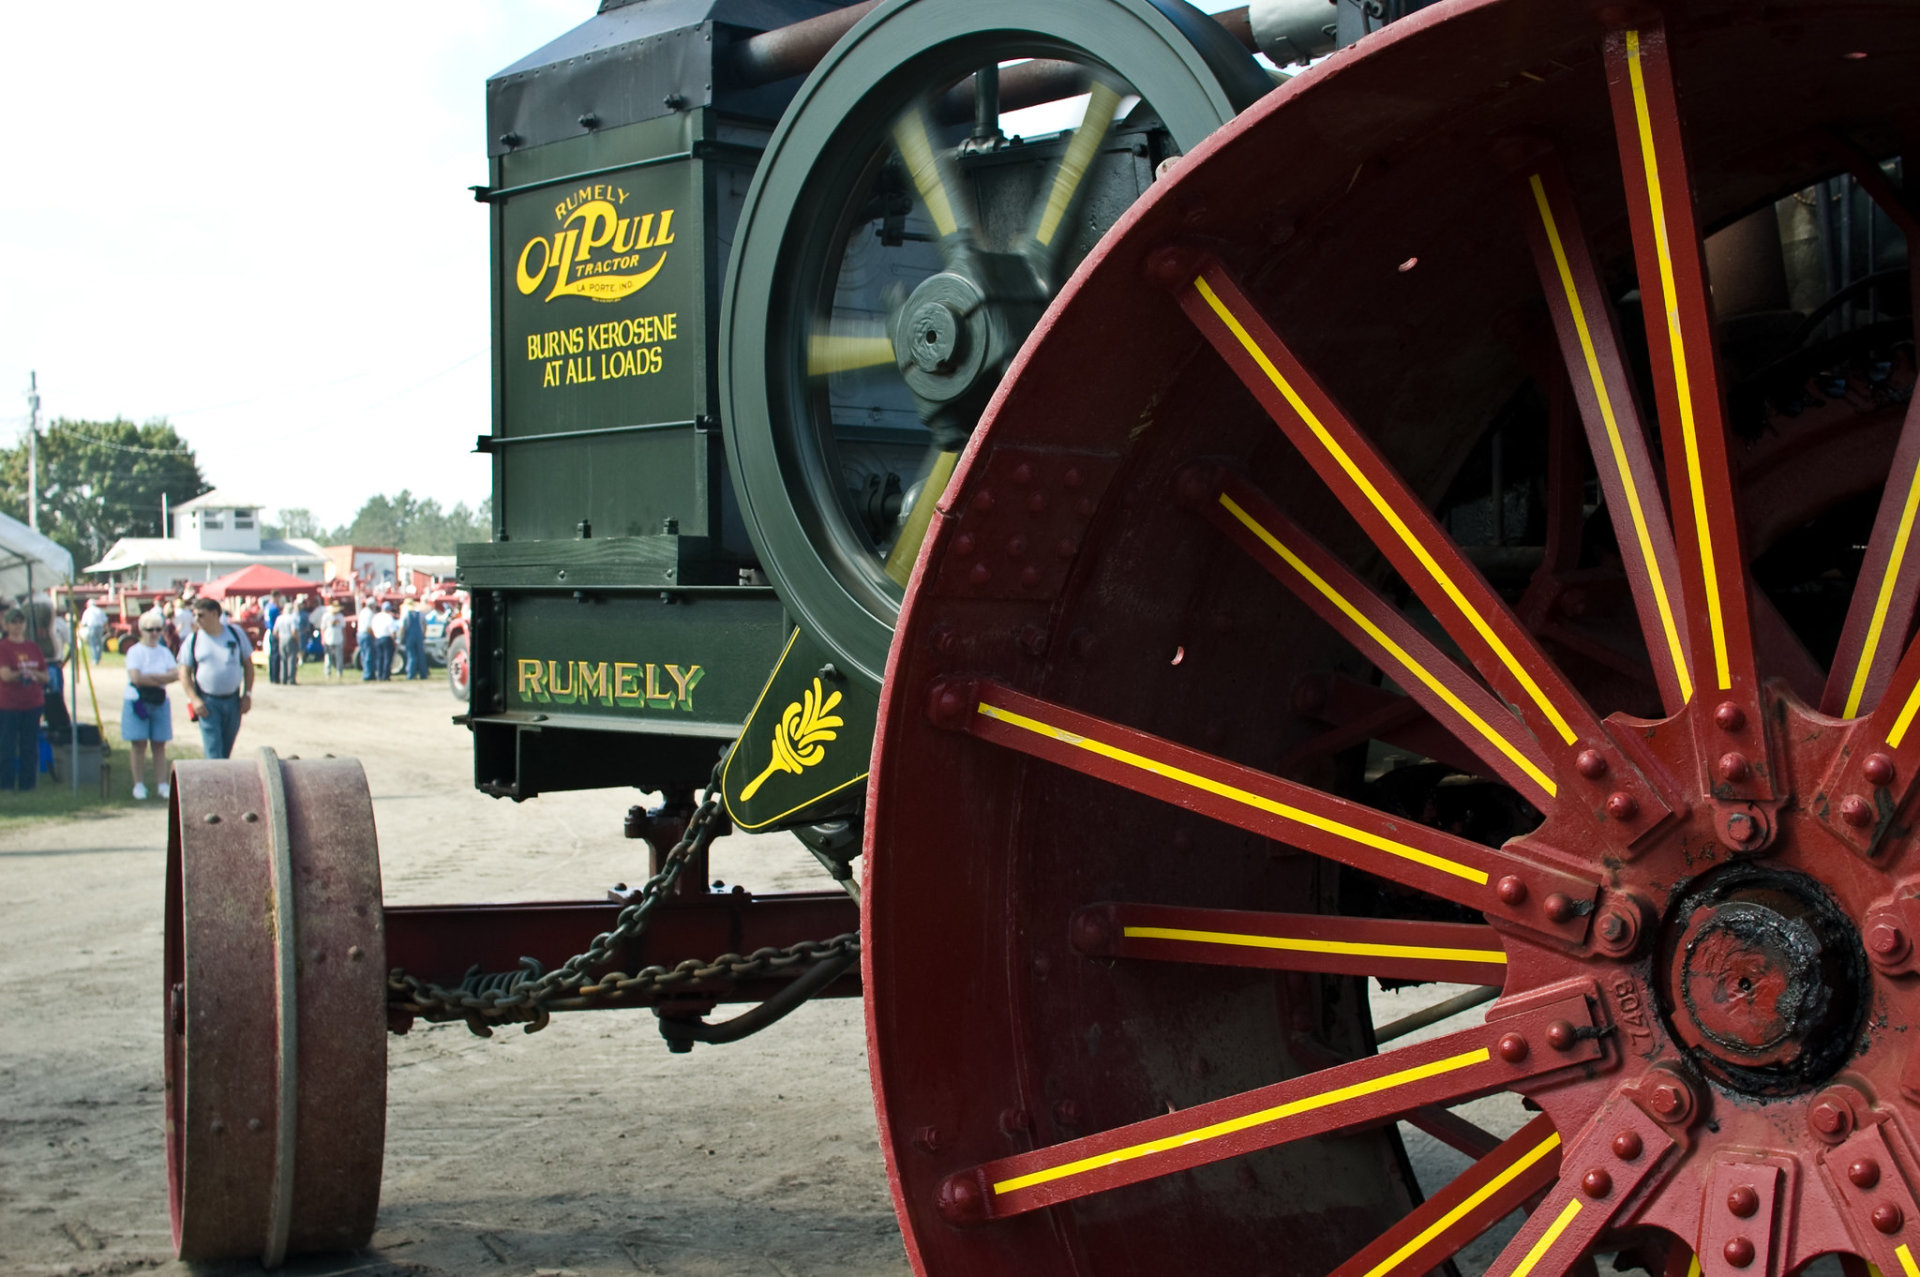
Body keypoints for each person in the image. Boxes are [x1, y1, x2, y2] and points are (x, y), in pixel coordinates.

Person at [180, 597, 254, 760]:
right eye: (195, 615)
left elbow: (248, 665)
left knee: (226, 751)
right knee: (213, 751)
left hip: (233, 701)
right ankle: (215, 783)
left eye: (201, 615)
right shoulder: (193, 640)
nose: (196, 620)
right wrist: (194, 699)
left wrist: (247, 694)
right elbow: (184, 672)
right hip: (208, 702)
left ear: (215, 614)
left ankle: (223, 782)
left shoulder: (235, 634)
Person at [122, 612, 179, 800]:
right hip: (139, 700)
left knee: (159, 744)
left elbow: (175, 674)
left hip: (159, 700)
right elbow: (136, 678)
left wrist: (151, 678)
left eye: (157, 630)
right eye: (150, 630)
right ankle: (138, 784)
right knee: (138, 743)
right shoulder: (135, 651)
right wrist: (160, 678)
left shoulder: (164, 652)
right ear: (141, 631)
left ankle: (162, 783)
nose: (154, 634)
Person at [0, 606, 50, 791]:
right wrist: (21, 673)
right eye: (13, 622)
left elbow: (46, 675)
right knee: (7, 745)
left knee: (30, 745)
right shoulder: (3, 647)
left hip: (32, 702)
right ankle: (6, 784)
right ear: (6, 625)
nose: (17, 626)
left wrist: (33, 673)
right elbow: (5, 675)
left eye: (21, 622)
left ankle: (27, 784)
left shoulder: (33, 647)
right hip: (8, 704)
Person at [367, 601, 397, 681]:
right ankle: (385, 675)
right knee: (387, 658)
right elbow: (393, 631)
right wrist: (394, 640)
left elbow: (371, 628)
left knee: (379, 658)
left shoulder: (376, 617)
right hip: (386, 638)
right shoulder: (389, 617)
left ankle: (379, 675)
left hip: (377, 638)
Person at [273, 603, 301, 685]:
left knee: (283, 659)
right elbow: (294, 631)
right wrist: (297, 639)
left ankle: (283, 678)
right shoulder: (293, 618)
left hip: (281, 638)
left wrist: (279, 638)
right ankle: (291, 679)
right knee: (291, 659)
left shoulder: (279, 618)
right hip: (290, 638)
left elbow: (275, 632)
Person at [402, 599, 429, 679]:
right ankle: (423, 674)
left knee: (411, 655)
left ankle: (411, 674)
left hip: (410, 637)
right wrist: (424, 634)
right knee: (421, 655)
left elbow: (404, 627)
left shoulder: (406, 615)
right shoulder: (421, 614)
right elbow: (425, 625)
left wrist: (402, 637)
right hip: (419, 636)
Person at [79, 597, 108, 665]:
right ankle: (98, 658)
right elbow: (105, 621)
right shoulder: (99, 610)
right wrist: (107, 630)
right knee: (99, 643)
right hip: (100, 628)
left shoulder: (87, 611)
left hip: (91, 627)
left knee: (93, 644)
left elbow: (83, 623)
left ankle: (95, 659)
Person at [321, 601, 346, 679]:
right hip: (328, 639)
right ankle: (327, 672)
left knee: (339, 657)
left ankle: (339, 672)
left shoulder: (340, 616)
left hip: (338, 639)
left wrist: (344, 638)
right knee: (328, 657)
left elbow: (343, 628)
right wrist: (323, 639)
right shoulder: (326, 616)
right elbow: (323, 628)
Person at [264, 593, 283, 684]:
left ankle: (271, 676)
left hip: (268, 630)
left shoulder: (267, 606)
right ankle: (275, 677)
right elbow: (277, 622)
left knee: (272, 655)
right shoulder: (274, 608)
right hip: (274, 631)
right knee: (276, 655)